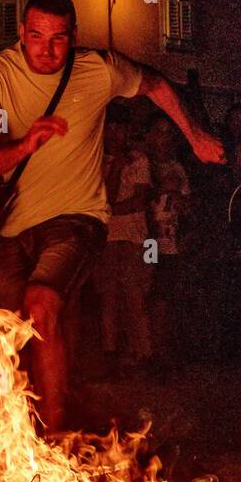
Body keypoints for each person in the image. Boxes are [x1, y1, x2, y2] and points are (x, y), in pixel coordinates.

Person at [0, 0, 224, 433]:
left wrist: (195, 136)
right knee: (16, 334)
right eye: (36, 36)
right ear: (21, 33)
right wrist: (25, 143)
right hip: (13, 227)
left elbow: (156, 85)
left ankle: (53, 435)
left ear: (74, 36)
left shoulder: (99, 69)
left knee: (41, 303)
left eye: (58, 39)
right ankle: (20, 432)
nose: (46, 50)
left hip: (77, 217)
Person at [97, 114, 153, 377]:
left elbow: (139, 201)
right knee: (108, 297)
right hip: (106, 238)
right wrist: (117, 167)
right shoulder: (95, 159)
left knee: (135, 296)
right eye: (111, 129)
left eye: (120, 129)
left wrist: (108, 211)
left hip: (134, 237)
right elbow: (103, 198)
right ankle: (109, 355)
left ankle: (143, 354)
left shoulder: (140, 160)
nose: (116, 135)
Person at [145, 114, 192, 371]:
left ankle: (162, 351)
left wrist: (175, 194)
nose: (165, 138)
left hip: (169, 241)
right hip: (145, 239)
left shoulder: (177, 167)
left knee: (164, 295)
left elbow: (187, 207)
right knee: (145, 294)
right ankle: (146, 350)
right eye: (160, 131)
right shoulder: (143, 162)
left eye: (169, 132)